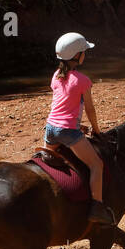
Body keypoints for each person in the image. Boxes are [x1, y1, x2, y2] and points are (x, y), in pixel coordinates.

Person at [45, 32, 116, 224]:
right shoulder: (83, 80)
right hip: (67, 131)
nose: (85, 54)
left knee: (47, 162)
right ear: (77, 56)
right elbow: (91, 109)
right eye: (84, 51)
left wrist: (77, 125)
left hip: (50, 129)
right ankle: (97, 206)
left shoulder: (56, 76)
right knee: (96, 165)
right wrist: (96, 129)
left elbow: (61, 107)